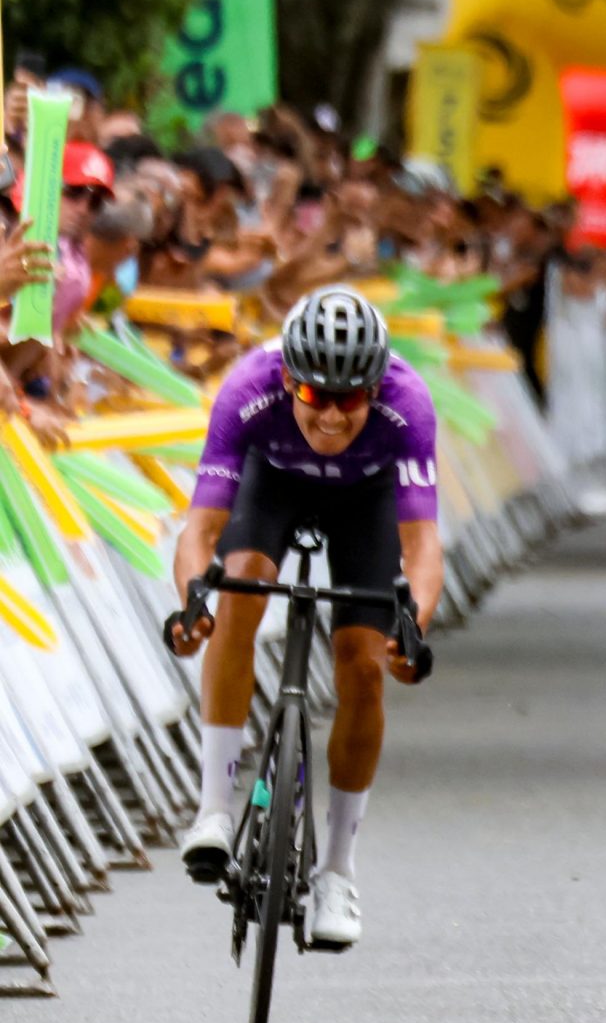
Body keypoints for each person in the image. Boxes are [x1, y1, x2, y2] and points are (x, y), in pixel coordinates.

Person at [169, 286, 444, 950]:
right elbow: (200, 529)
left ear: (375, 389)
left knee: (363, 664)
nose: (332, 416)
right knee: (240, 593)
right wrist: (191, 602)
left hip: (366, 496)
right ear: (289, 378)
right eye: (317, 396)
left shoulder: (407, 405)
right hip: (274, 482)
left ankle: (337, 873)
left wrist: (415, 627)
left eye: (351, 400)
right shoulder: (248, 391)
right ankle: (212, 809)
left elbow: (422, 545)